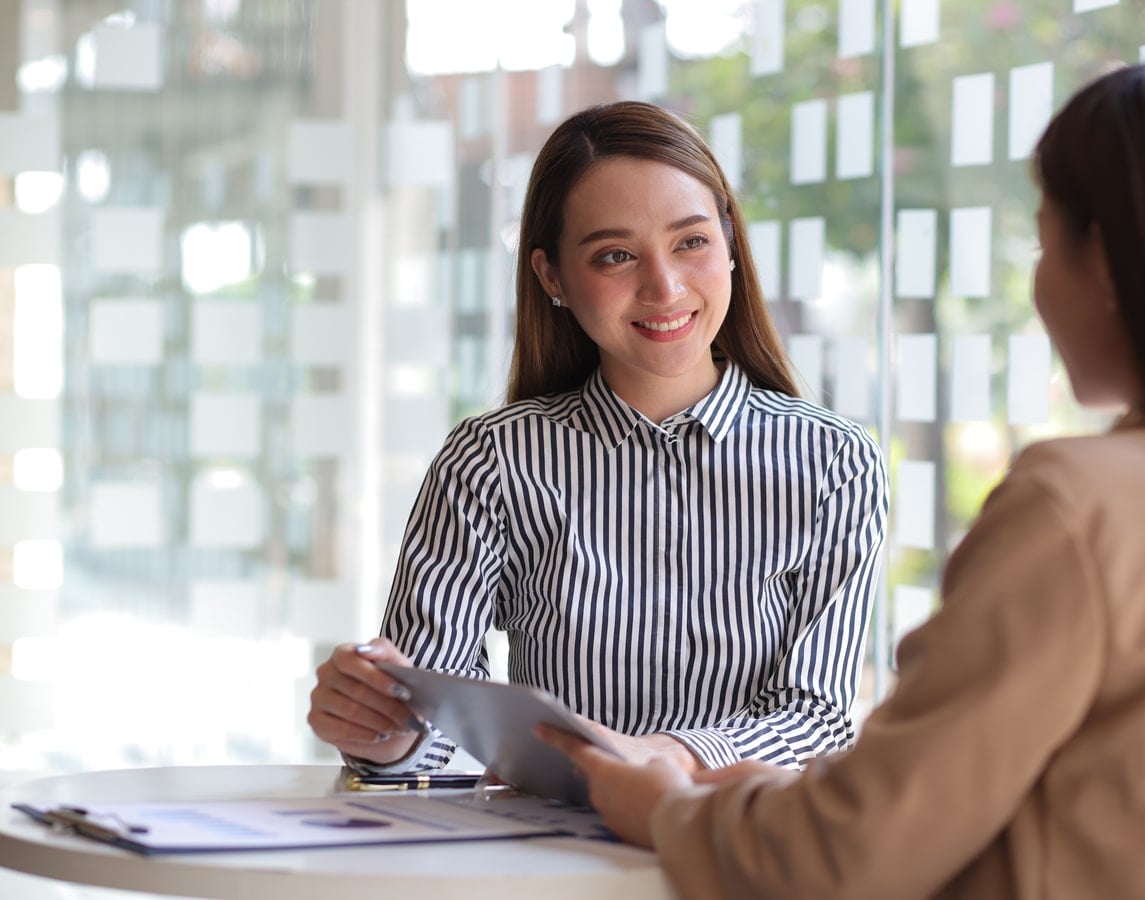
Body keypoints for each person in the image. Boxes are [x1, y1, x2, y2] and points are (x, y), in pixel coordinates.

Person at [541, 60, 1145, 898]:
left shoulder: (1085, 507)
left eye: (1047, 245)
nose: (1042, 288)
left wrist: (664, 806)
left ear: (1117, 268)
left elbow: (857, 850)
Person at [306, 100, 888, 776]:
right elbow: (432, 719)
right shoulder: (492, 462)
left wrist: (657, 756)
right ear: (553, 277)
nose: (664, 287)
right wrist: (378, 728)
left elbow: (818, 718)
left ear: (730, 245)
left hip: (739, 859)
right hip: (548, 867)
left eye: (691, 241)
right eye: (615, 255)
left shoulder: (833, 463)